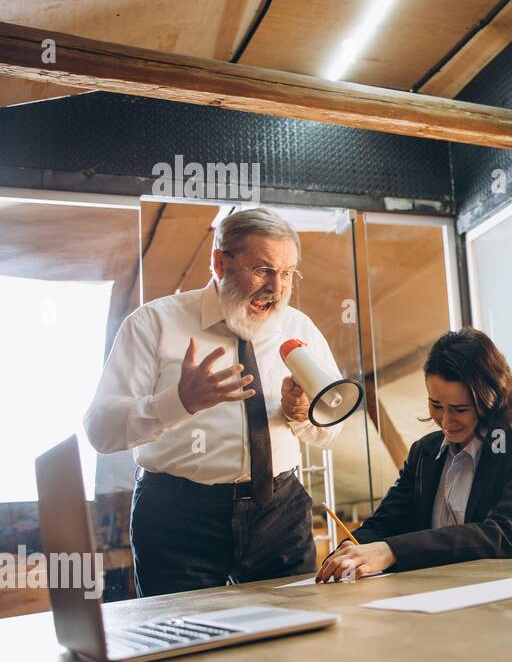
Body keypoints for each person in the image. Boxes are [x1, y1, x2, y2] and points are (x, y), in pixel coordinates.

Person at [85, 207, 344, 596]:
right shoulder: (153, 324)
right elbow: (100, 431)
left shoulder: (299, 327)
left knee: (294, 641)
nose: (277, 287)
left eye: (288, 273)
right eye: (263, 269)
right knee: (181, 643)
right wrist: (179, 402)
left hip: (279, 511)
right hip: (177, 514)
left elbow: (333, 427)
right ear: (220, 262)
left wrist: (302, 415)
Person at [318, 328, 512, 580]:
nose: (446, 421)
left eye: (460, 409)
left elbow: (503, 534)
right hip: (438, 595)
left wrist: (391, 551)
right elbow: (386, 521)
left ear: (490, 399)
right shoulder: (424, 452)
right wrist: (353, 547)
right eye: (436, 405)